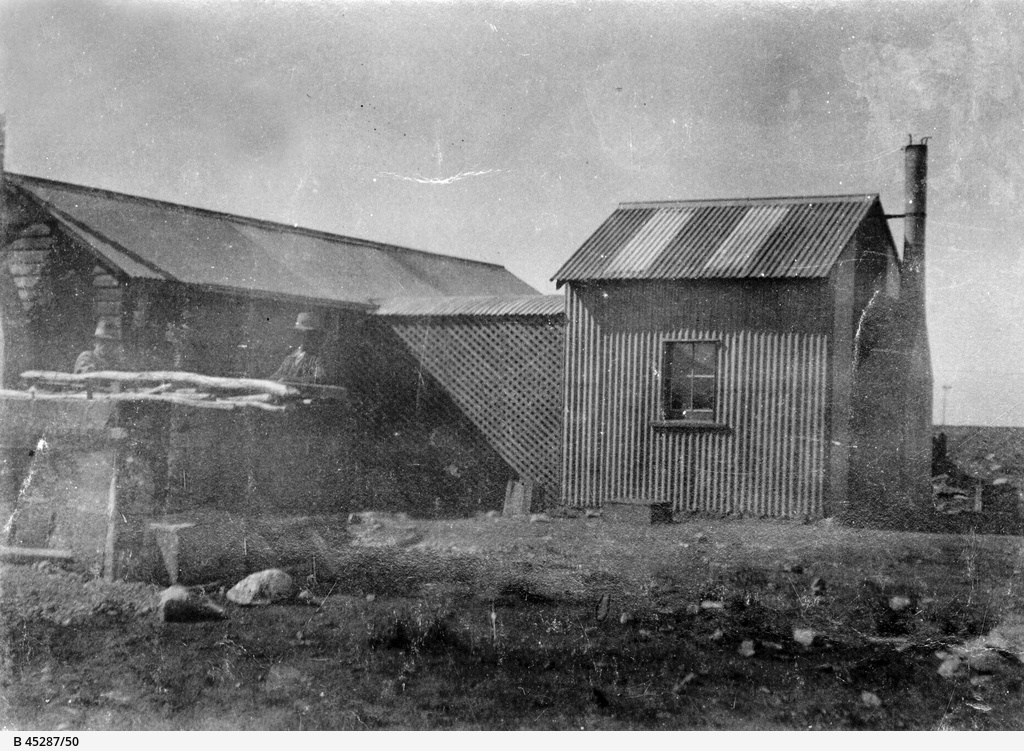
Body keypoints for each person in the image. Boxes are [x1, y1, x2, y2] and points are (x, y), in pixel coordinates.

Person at [270, 311, 329, 384]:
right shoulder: (290, 357)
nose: (305, 338)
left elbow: (319, 378)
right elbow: (275, 376)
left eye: (310, 334)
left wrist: (291, 379)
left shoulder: (317, 358)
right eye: (301, 334)